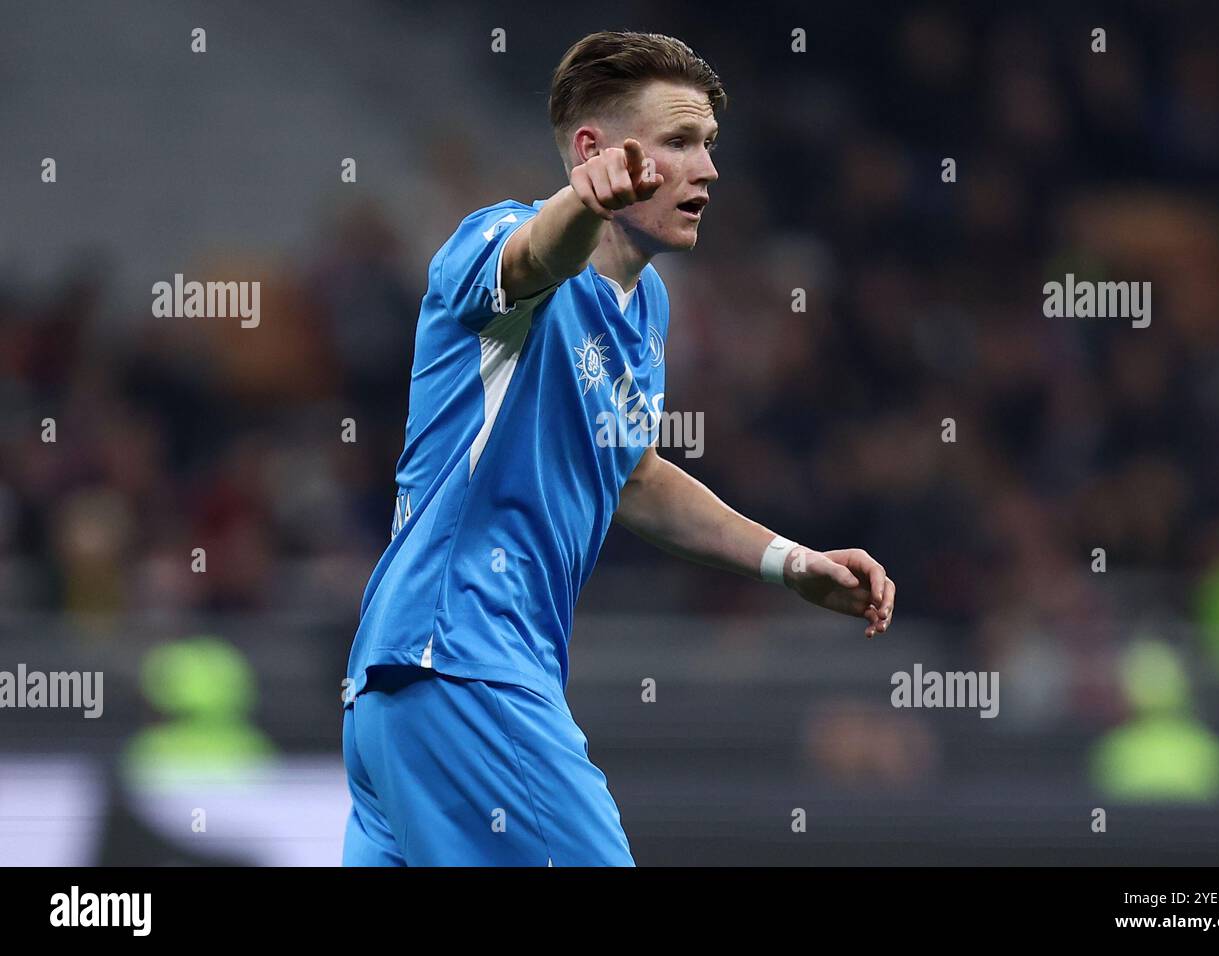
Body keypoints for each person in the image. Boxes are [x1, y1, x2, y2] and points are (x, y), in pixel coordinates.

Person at [341, 30, 895, 866]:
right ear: (594, 151)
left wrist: (790, 562)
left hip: (404, 699)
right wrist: (582, 204)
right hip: (460, 662)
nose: (706, 169)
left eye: (708, 144)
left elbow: (634, 477)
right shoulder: (494, 239)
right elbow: (534, 259)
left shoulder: (647, 311)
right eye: (678, 143)